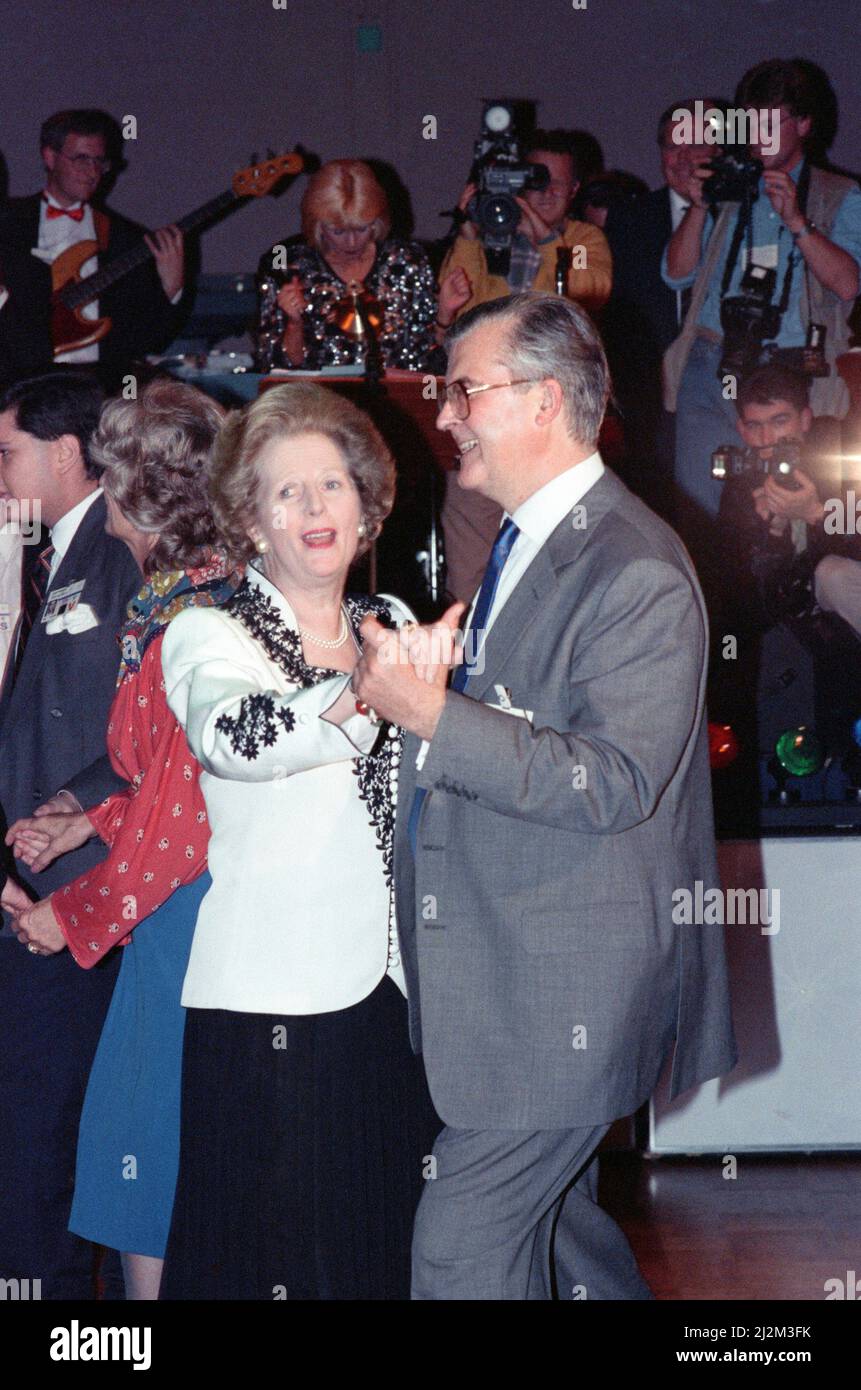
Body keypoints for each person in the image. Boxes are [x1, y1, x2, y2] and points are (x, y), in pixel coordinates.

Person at [352, 292, 738, 1300]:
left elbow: (612, 782)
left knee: (461, 1248)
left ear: (546, 401)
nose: (445, 416)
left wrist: (434, 713)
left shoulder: (634, 567)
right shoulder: (528, 544)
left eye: (466, 392)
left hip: (564, 992)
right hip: (512, 981)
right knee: (562, 1237)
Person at [158, 382, 439, 1299]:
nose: (316, 508)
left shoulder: (393, 623)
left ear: (367, 503)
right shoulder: (207, 631)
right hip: (269, 1005)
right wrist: (370, 692)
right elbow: (232, 736)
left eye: (332, 484)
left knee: (375, 1253)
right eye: (287, 492)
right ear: (251, 520)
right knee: (272, 1261)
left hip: (398, 998)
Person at [7, 379, 238, 1302]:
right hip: (160, 914)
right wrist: (85, 817)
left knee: (148, 1152)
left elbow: (184, 822)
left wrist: (73, 914)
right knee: (134, 1155)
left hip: (181, 919)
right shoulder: (177, 604)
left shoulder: (193, 618)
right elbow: (160, 783)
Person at [0, 369, 140, 1298]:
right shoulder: (46, 554)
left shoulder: (119, 555)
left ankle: (50, 1311)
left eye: (5, 453)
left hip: (73, 886)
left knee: (43, 1127)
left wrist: (61, 845)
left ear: (62, 453)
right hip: (29, 875)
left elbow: (135, 735)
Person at [662, 60, 861, 584]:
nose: (759, 140)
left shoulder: (841, 194)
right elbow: (677, 274)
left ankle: (783, 638)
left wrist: (797, 221)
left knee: (785, 515)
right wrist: (699, 207)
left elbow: (847, 284)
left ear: (804, 125)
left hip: (789, 375)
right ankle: (712, 639)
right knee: (702, 517)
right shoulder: (731, 184)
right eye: (750, 127)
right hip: (714, 361)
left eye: (772, 124)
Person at [438, 130, 613, 607]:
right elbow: (449, 333)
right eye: (534, 179)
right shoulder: (485, 239)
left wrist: (544, 241)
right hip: (486, 425)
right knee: (469, 554)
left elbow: (587, 295)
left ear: (575, 188)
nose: (546, 190)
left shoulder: (583, 240)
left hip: (550, 429)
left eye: (558, 182)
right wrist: (469, 231)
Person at [0, 109, 187, 385]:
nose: (93, 172)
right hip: (18, 383)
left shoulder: (126, 238)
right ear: (50, 157)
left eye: (100, 161)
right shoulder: (7, 223)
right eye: (82, 159)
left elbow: (149, 339)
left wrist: (171, 288)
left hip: (99, 384)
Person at [602, 98, 724, 516]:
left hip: (723, 391)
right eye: (673, 147)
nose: (685, 158)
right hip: (653, 397)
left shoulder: (743, 212)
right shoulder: (629, 218)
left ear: (722, 150)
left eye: (697, 145)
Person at [256, 159, 441, 373]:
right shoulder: (289, 267)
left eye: (362, 229)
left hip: (394, 399)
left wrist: (445, 314)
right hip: (318, 401)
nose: (352, 242)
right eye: (338, 232)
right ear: (318, 226)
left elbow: (428, 356)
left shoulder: (407, 261)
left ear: (377, 222)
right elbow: (277, 367)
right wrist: (294, 323)